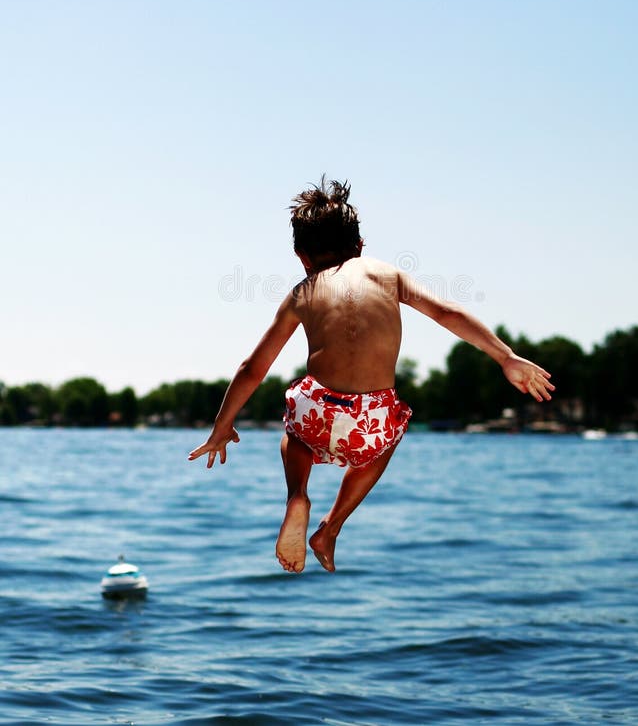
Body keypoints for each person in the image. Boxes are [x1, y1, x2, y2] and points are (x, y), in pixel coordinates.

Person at [189, 178, 555, 574]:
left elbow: (252, 369)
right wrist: (506, 356)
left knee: (294, 433)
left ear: (302, 257)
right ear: (360, 246)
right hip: (373, 418)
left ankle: (298, 495)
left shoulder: (302, 292)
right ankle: (331, 528)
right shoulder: (387, 275)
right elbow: (448, 314)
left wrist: (221, 428)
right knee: (386, 441)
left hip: (319, 407)